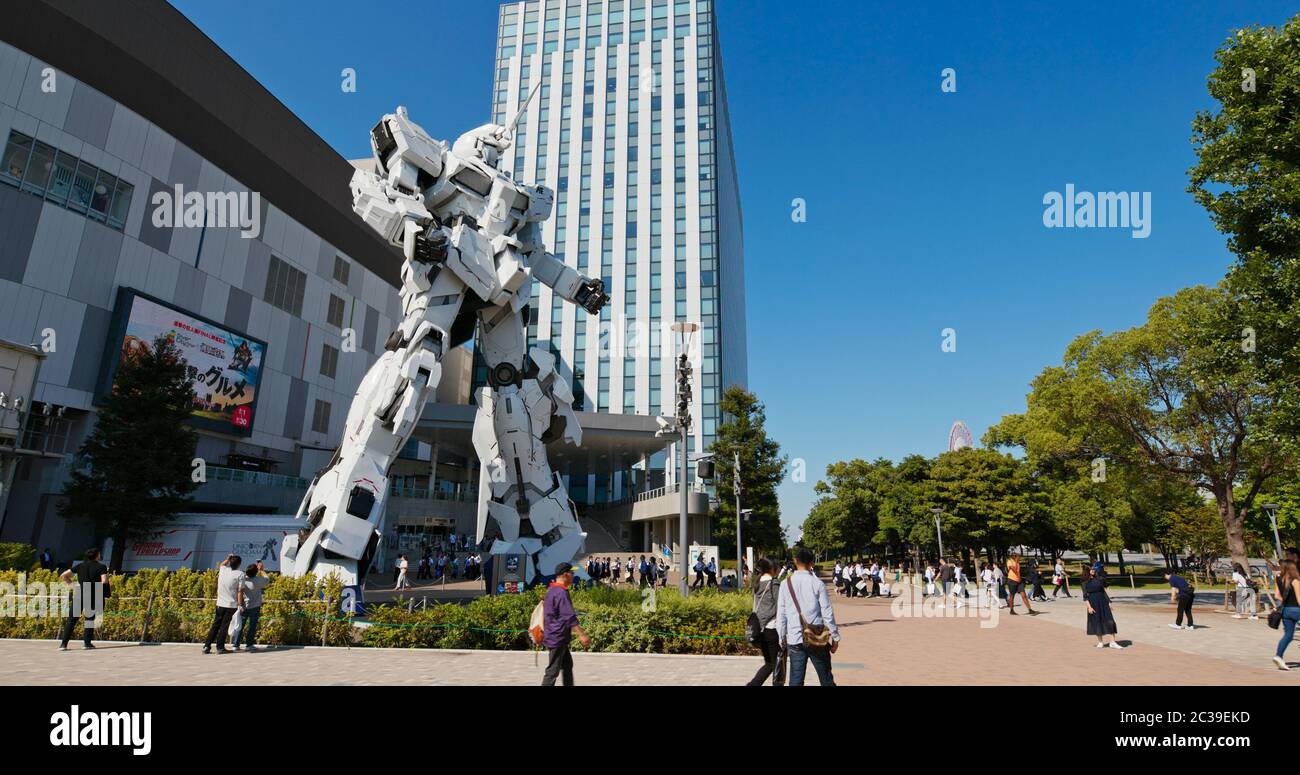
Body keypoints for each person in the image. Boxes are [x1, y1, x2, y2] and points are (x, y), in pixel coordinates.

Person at [777, 547, 840, 686]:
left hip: (795, 637)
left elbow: (781, 613)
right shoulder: (817, 583)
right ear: (812, 563)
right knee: (826, 679)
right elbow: (827, 612)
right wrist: (835, 637)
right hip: (816, 637)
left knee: (796, 681)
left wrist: (781, 636)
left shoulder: (785, 584)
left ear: (795, 561)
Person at [541, 562, 591, 686]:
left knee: (567, 665)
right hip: (557, 637)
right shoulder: (561, 593)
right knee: (552, 671)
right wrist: (582, 635)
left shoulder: (552, 589)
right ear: (565, 575)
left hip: (556, 635)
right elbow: (569, 617)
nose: (573, 575)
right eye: (572, 573)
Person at [58, 548, 108, 651]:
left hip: (80, 592)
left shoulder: (80, 566)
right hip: (94, 594)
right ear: (97, 555)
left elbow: (64, 575)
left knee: (72, 620)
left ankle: (63, 644)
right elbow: (104, 581)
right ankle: (87, 643)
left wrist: (73, 585)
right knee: (89, 619)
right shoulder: (101, 567)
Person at [746, 558, 785, 686]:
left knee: (770, 663)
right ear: (772, 569)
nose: (779, 569)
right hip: (772, 630)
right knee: (778, 664)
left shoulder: (757, 583)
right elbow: (781, 607)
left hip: (759, 629)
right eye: (777, 567)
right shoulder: (774, 584)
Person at [203, 555, 243, 654]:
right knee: (224, 627)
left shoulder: (223, 570)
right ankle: (220, 647)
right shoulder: (240, 574)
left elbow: (222, 564)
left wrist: (227, 559)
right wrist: (240, 603)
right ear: (239, 564)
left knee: (215, 625)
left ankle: (206, 646)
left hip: (220, 603)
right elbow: (240, 591)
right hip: (231, 604)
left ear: (230, 562)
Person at [1083, 566, 1124, 649]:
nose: (1093, 570)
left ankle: (1112, 642)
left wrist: (1108, 602)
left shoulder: (1099, 579)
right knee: (1097, 621)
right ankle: (1100, 641)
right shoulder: (1084, 582)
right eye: (1091, 570)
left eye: (1094, 569)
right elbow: (1085, 596)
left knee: (1110, 620)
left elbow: (1103, 591)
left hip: (1103, 602)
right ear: (1087, 571)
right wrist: (1089, 607)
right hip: (1093, 603)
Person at [234, 560, 270, 651]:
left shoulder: (243, 579)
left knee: (240, 625)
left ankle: (235, 644)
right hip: (255, 606)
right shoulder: (258, 580)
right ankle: (249, 644)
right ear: (256, 572)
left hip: (243, 606)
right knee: (252, 626)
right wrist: (261, 570)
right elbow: (267, 579)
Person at [1272, 559, 1300, 671]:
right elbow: (1299, 600)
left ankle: (1278, 656)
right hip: (1296, 610)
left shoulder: (1279, 579)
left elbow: (1277, 596)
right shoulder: (1295, 581)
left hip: (1285, 611)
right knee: (1289, 635)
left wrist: (1286, 600)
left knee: (1288, 635)